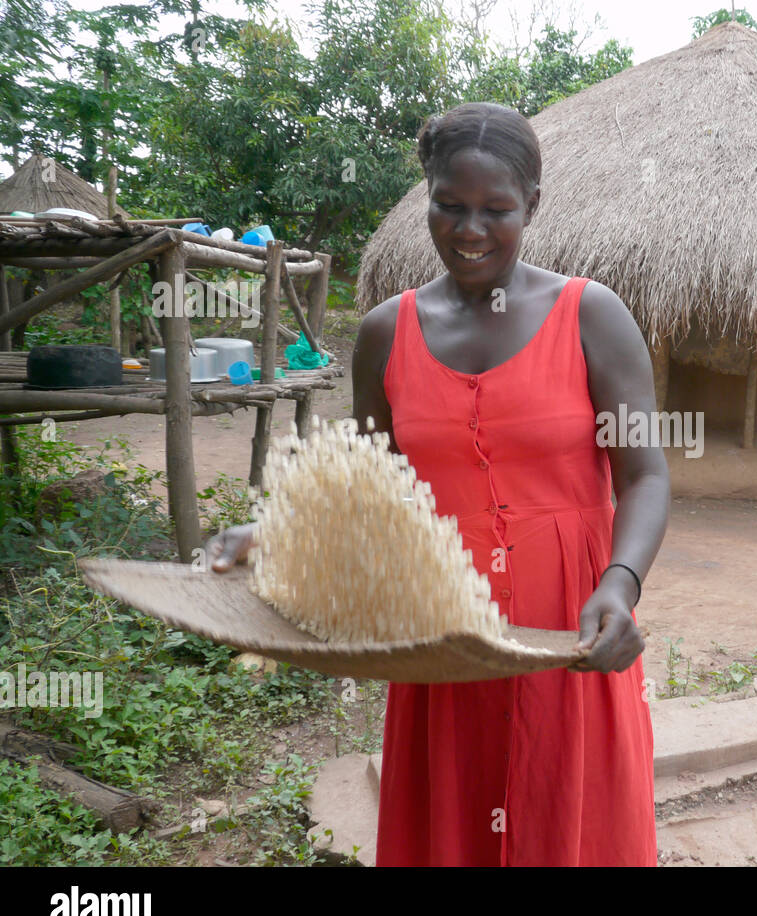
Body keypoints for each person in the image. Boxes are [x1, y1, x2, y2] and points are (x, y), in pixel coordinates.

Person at [203, 102, 670, 866]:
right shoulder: (389, 332)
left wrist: (620, 583)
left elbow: (646, 473)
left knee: (569, 815)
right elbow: (370, 485)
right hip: (440, 630)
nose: (470, 229)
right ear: (425, 196)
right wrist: (276, 533)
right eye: (449, 206)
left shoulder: (590, 315)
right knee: (453, 821)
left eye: (496, 210)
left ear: (534, 206)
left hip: (571, 627)